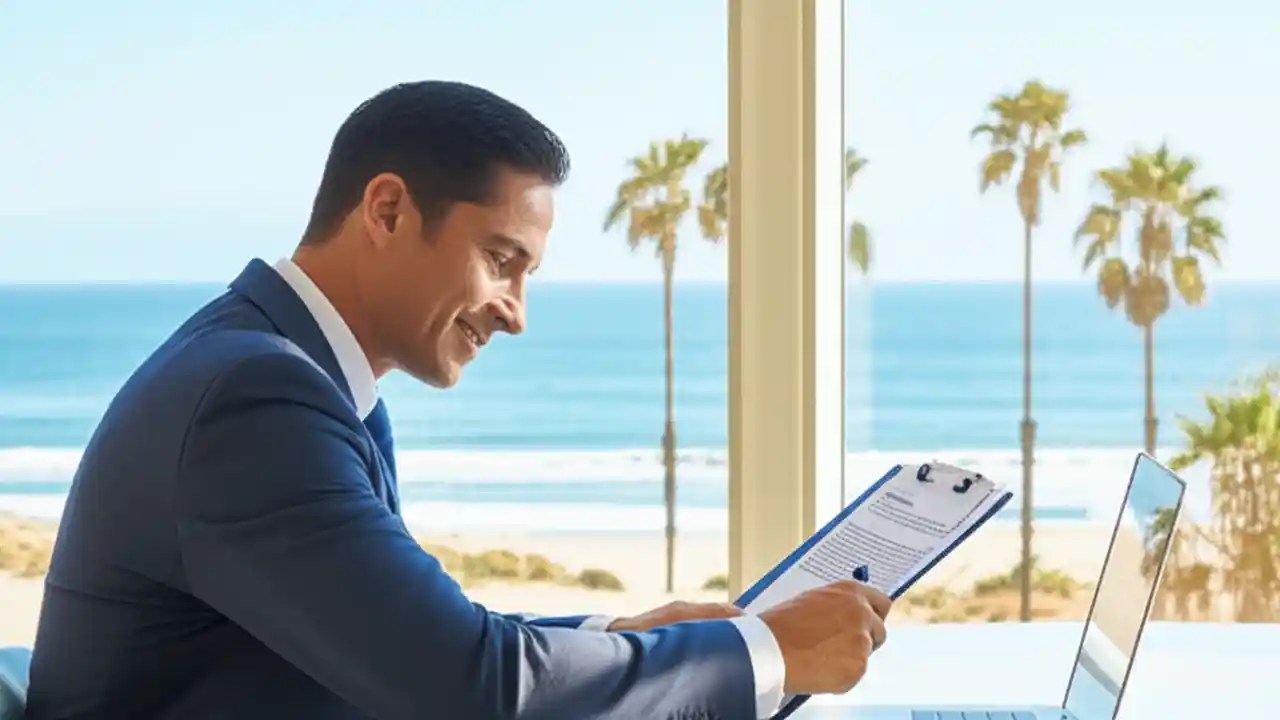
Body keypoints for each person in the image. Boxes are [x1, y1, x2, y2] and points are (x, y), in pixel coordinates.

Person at [26, 80, 891, 719]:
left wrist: (626, 632)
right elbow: (466, 686)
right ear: (390, 210)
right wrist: (768, 652)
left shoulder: (292, 373)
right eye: (503, 261)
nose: (514, 314)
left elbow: (404, 640)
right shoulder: (255, 401)